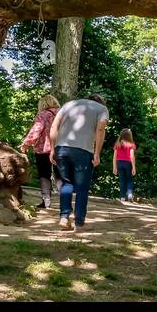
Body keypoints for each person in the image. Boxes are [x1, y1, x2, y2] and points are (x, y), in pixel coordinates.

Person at [49, 91, 108, 232]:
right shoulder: (102, 109)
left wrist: (52, 149)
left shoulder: (69, 105)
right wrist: (97, 153)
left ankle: (64, 217)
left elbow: (54, 127)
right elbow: (100, 129)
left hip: (61, 148)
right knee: (82, 187)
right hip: (83, 151)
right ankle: (79, 222)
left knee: (66, 183)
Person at [20, 94, 60, 211]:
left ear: (43, 104)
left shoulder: (43, 115)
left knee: (44, 175)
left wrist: (25, 144)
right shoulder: (62, 114)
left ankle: (46, 202)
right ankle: (65, 203)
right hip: (61, 148)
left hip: (44, 149)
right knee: (60, 176)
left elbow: (36, 131)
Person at [113, 128, 137, 202]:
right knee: (129, 179)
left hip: (119, 163)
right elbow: (132, 156)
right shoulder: (131, 145)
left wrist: (114, 167)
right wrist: (133, 167)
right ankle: (129, 194)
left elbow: (114, 157)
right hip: (128, 163)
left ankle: (122, 197)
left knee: (122, 180)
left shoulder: (117, 144)